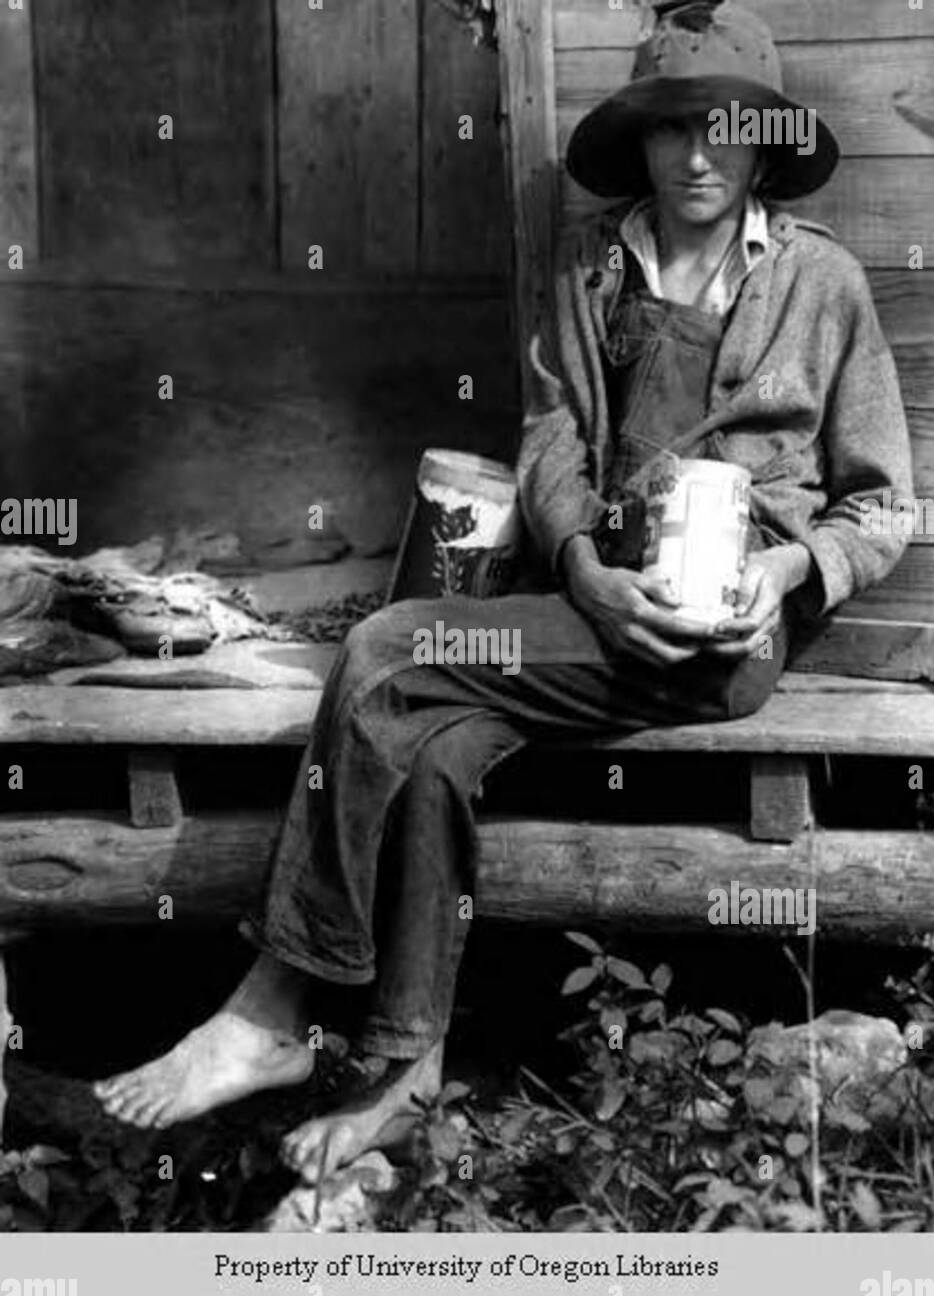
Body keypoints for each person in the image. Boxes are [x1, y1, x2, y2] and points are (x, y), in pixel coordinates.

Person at [94, 0, 913, 1178]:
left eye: (723, 130)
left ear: (761, 142)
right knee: (431, 756)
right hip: (587, 611)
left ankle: (272, 1010)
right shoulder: (591, 270)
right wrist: (582, 560)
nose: (696, 156)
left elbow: (879, 503)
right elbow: (552, 443)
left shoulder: (819, 284)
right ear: (639, 139)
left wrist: (788, 569)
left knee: (384, 651)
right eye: (672, 128)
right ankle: (405, 1068)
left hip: (721, 642)